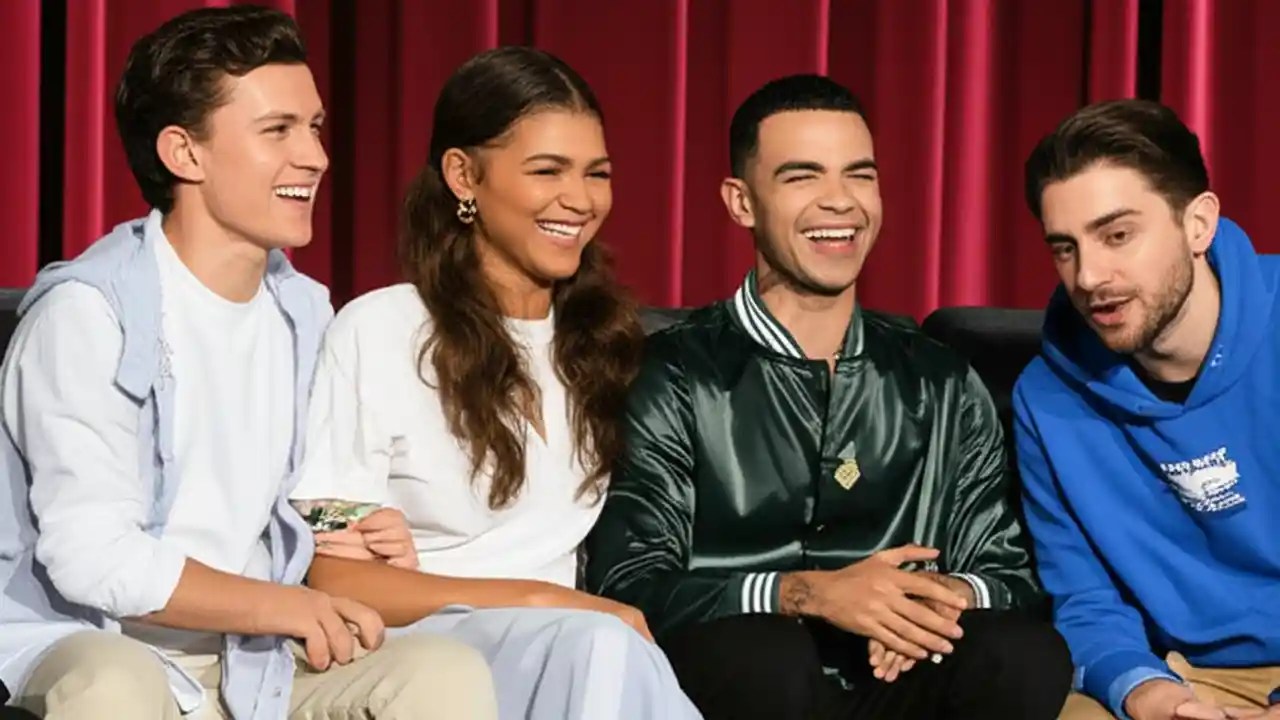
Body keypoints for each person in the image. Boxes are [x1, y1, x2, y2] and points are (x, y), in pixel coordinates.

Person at [0, 6, 497, 719]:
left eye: (315, 127)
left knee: (440, 672)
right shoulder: (88, 315)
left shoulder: (306, 313)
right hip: (92, 640)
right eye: (278, 131)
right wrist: (282, 604)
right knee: (114, 686)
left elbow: (292, 503)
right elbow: (92, 557)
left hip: (254, 654)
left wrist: (356, 527)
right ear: (184, 153)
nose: (317, 157)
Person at [583, 73, 1074, 720]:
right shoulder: (675, 374)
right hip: (744, 683)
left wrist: (922, 600)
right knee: (764, 658)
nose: (840, 201)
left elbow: (1010, 578)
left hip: (897, 678)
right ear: (741, 202)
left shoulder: (941, 381)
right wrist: (804, 594)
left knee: (1023, 652)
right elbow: (632, 583)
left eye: (860, 175)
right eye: (802, 176)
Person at [288, 46, 701, 720]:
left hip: (576, 658)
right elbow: (332, 574)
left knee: (604, 653)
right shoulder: (381, 331)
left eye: (597, 173)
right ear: (463, 174)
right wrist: (547, 600)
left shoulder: (607, 341)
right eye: (547, 171)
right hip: (425, 653)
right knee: (600, 646)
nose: (580, 200)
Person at [1017, 99, 1280, 720]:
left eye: (1117, 235)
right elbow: (1084, 598)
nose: (1088, 276)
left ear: (1199, 224)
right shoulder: (1046, 398)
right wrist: (1146, 691)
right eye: (1064, 248)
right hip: (1178, 676)